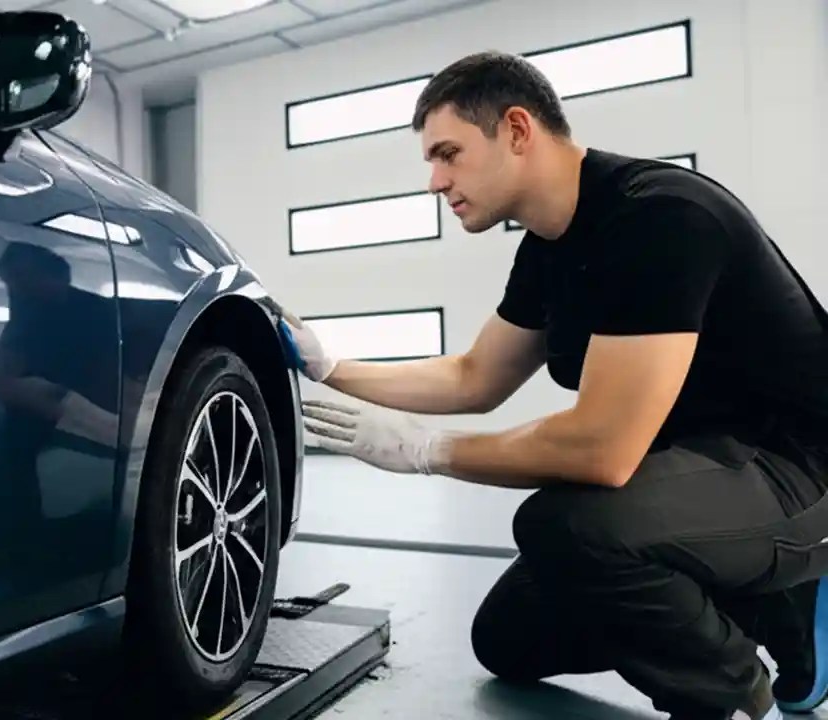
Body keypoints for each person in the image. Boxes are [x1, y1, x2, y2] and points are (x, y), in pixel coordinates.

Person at [280, 51, 828, 720]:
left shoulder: (661, 218)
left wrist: (427, 452)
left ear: (516, 128)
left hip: (795, 472)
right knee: (506, 639)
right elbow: (476, 376)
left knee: (568, 527)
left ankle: (741, 696)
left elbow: (601, 449)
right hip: (696, 474)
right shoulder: (547, 248)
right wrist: (330, 366)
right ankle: (773, 595)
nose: (434, 181)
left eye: (447, 154)